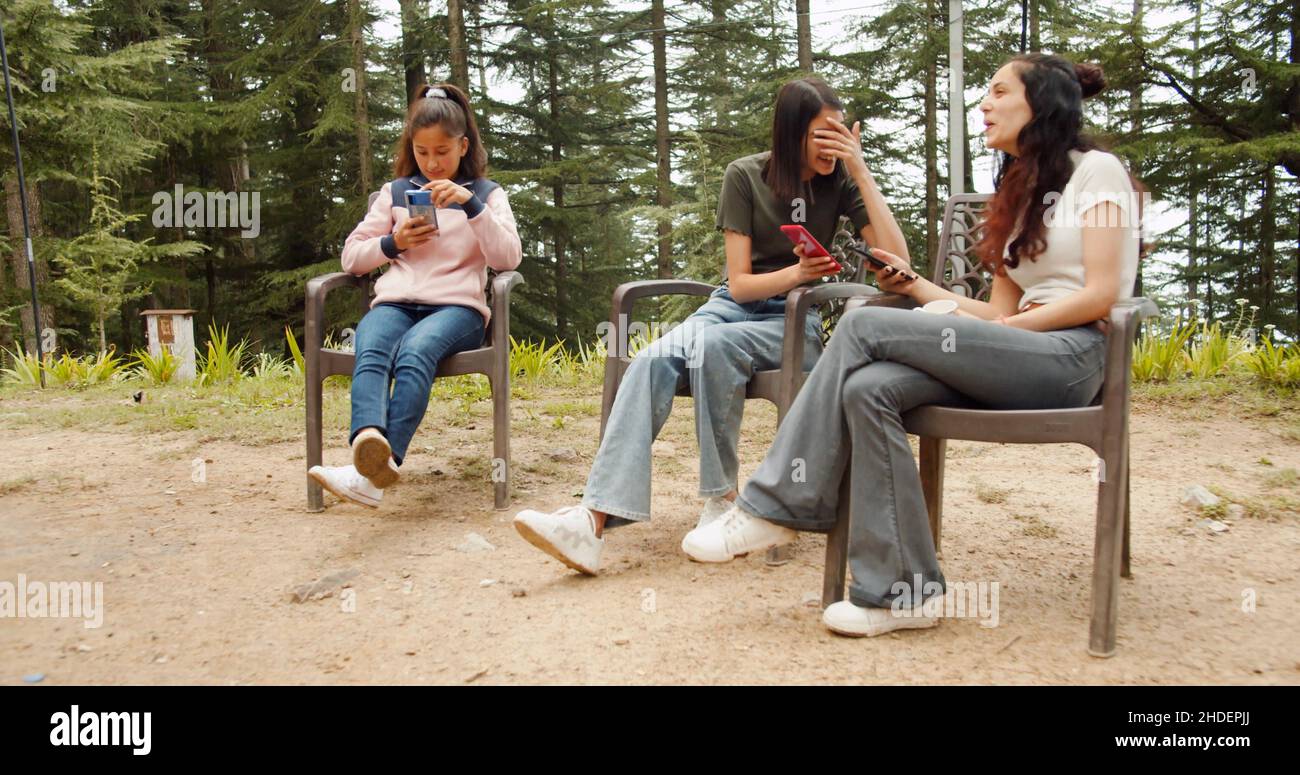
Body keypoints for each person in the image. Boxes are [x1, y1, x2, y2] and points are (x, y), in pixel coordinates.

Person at [678, 54, 1141, 638]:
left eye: (999, 92)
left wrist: (1003, 332)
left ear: (1042, 102)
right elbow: (996, 310)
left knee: (863, 325)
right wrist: (918, 287)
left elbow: (1102, 294)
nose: (985, 104)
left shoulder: (1097, 171)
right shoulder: (1020, 189)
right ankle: (904, 593)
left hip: (1071, 360)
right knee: (870, 388)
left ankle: (773, 505)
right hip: (1011, 352)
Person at [513, 76, 909, 575]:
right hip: (731, 307)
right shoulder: (744, 176)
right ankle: (590, 522)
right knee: (653, 358)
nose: (834, 144)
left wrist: (861, 168)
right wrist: (797, 271)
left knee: (716, 346)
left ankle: (722, 501)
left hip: (794, 324)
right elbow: (740, 285)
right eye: (821, 134)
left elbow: (899, 258)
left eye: (840, 133)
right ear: (790, 134)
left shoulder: (843, 183)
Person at [309, 83, 522, 508]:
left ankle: (369, 473)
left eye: (442, 151)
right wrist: (394, 242)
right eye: (422, 152)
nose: (432, 163)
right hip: (397, 302)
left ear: (463, 146)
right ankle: (368, 446)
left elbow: (509, 258)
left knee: (415, 352)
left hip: (457, 309)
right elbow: (352, 257)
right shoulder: (396, 193)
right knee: (371, 345)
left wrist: (472, 208)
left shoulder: (486, 194)